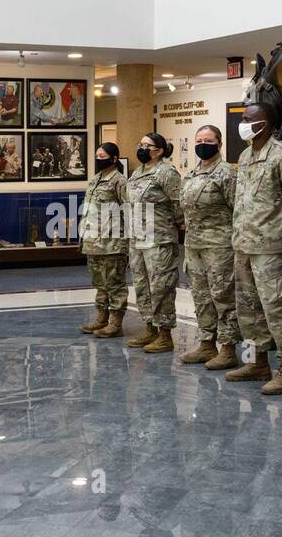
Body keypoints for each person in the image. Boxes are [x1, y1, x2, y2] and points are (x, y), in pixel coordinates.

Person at [227, 86, 282, 394]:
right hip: (243, 245)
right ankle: (256, 362)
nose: (243, 122)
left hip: (271, 248)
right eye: (243, 117)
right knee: (248, 307)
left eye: (248, 118)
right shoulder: (245, 156)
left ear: (266, 124)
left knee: (277, 308)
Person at [178, 124, 240, 369]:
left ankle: (227, 348)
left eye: (208, 139)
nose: (203, 143)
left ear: (219, 144)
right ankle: (206, 343)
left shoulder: (226, 173)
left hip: (220, 247)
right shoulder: (192, 174)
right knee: (201, 297)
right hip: (194, 246)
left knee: (223, 297)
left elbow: (238, 209)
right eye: (199, 139)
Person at [124, 132, 183, 354]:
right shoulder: (137, 172)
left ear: (158, 151)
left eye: (146, 145)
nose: (141, 148)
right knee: (141, 285)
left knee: (161, 287)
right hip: (138, 238)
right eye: (140, 144)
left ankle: (165, 334)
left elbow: (179, 205)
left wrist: (177, 227)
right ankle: (150, 328)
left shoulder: (166, 173)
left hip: (159, 239)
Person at [79, 143, 128, 338]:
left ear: (114, 159)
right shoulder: (95, 180)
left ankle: (115, 323)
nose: (99, 159)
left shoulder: (120, 181)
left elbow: (129, 211)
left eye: (103, 156)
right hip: (93, 242)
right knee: (99, 282)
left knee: (114, 283)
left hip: (112, 243)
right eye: (97, 155)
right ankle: (101, 318)